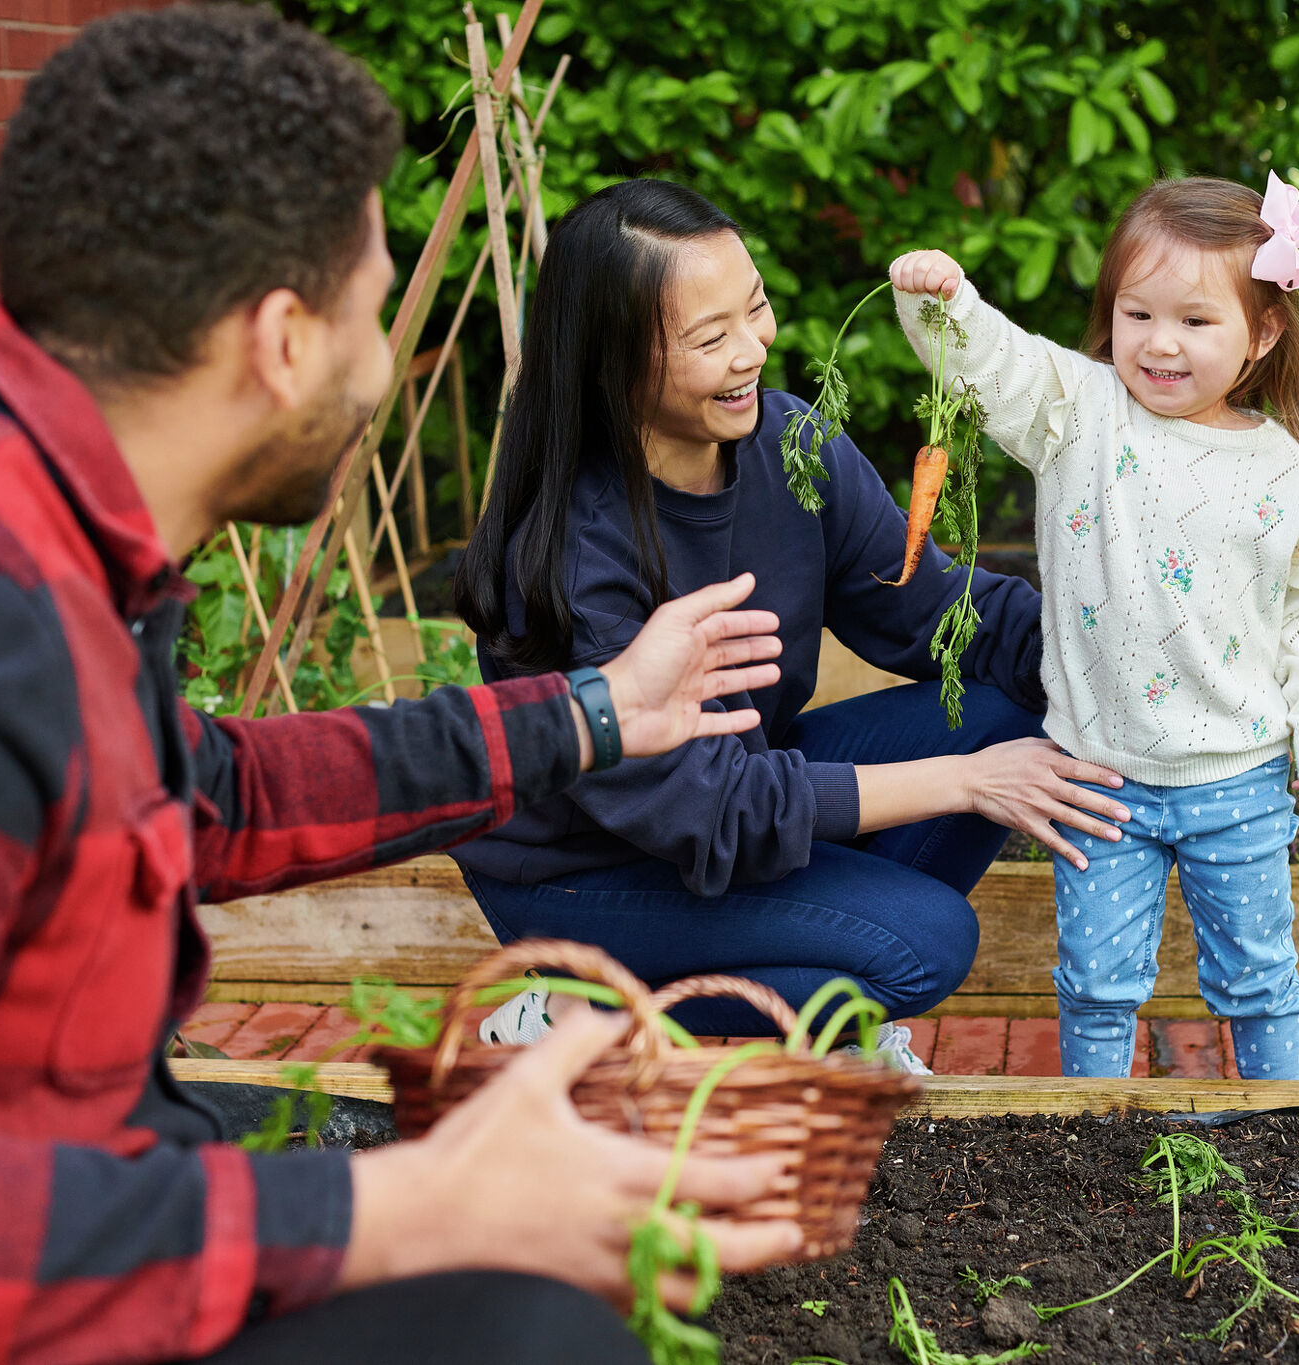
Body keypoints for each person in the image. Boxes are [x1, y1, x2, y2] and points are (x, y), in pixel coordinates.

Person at [0, 8, 803, 1362]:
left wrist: (598, 711)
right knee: (542, 1333)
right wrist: (400, 1205)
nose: (387, 366)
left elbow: (209, 796)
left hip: (87, 1160)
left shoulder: (41, 536)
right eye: (376, 309)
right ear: (284, 341)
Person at [451, 181, 1136, 1061]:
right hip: (590, 871)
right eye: (711, 337)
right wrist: (967, 783)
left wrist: (1135, 652)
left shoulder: (789, 447)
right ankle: (582, 1009)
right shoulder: (574, 554)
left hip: (736, 792)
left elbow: (935, 614)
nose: (753, 350)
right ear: (612, 360)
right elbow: (708, 807)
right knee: (923, 944)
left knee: (1004, 707)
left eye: (758, 307)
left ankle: (826, 963)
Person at [886, 172, 1299, 1081]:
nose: (1161, 343)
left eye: (1195, 320)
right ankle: (1090, 1131)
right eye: (1138, 314)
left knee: (1259, 978)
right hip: (1101, 774)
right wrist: (943, 298)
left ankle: (1284, 1130)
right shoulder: (1082, 412)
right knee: (1097, 980)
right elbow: (997, 362)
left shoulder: (1282, 466)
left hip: (1241, 777)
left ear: (1262, 333)